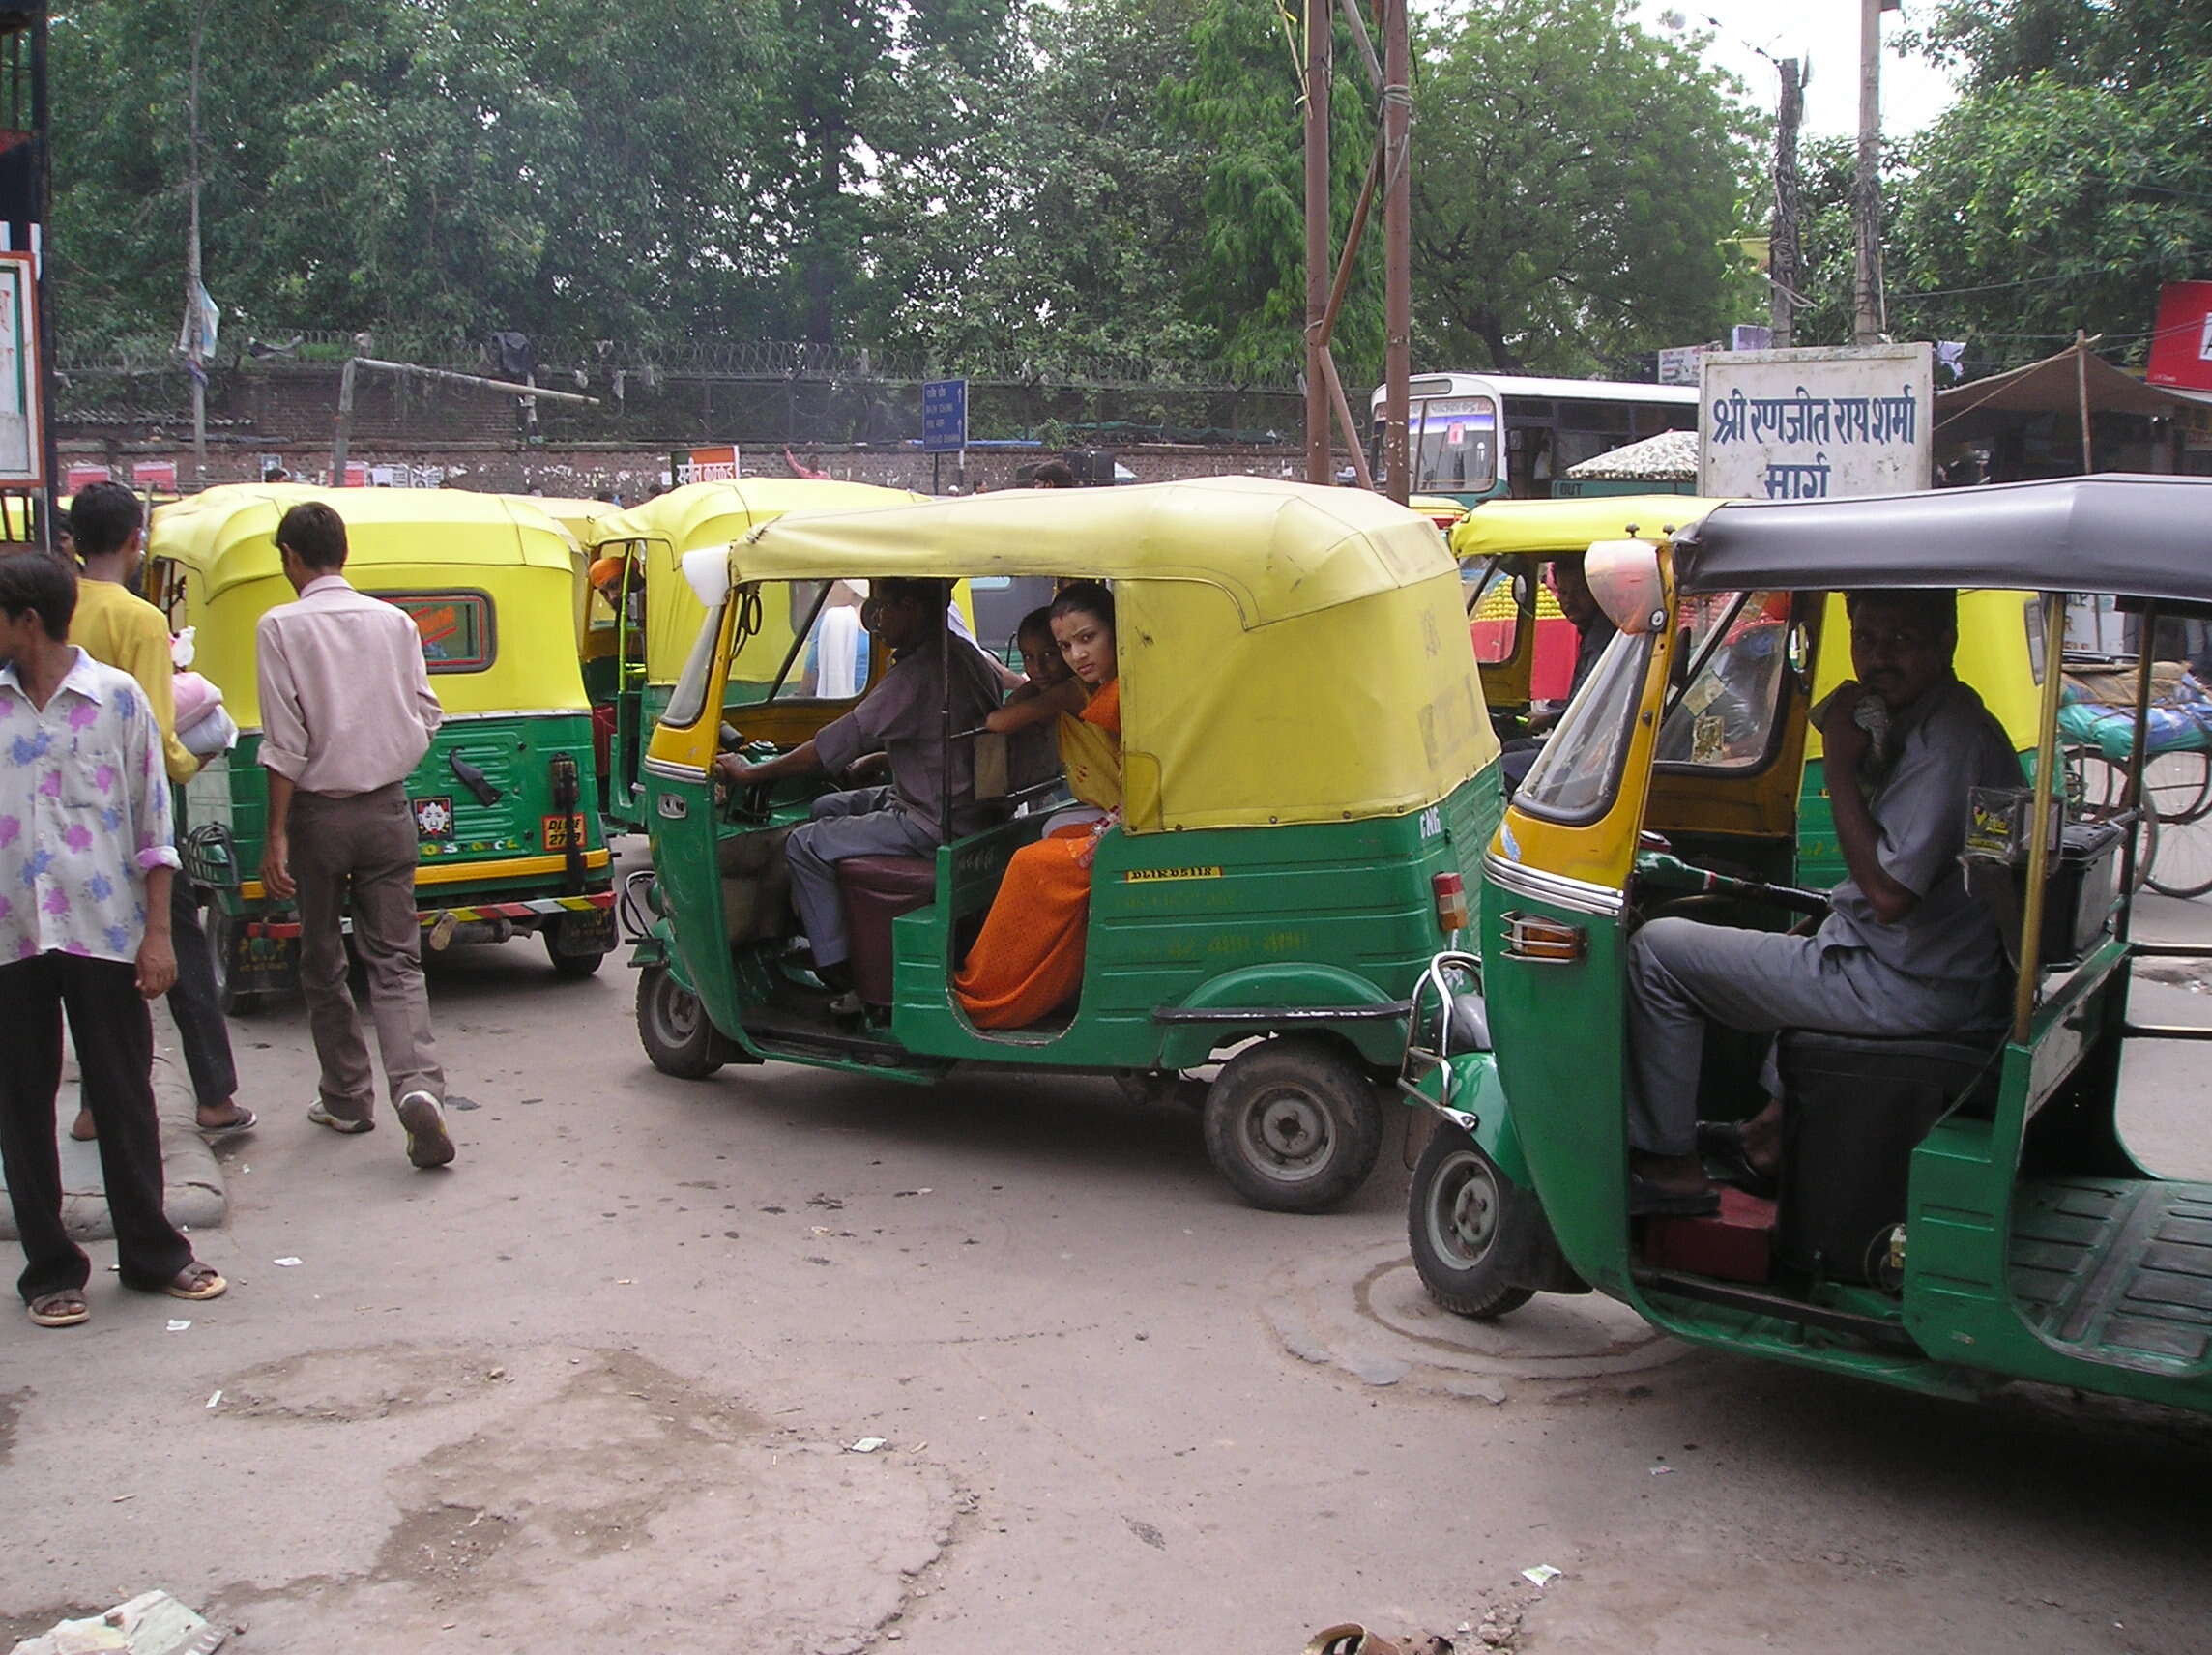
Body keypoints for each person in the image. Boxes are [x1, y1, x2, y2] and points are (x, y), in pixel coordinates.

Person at [1623, 589, 2024, 1216]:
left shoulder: (1947, 743)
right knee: (1791, 944)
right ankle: (1767, 1141)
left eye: (1903, 641)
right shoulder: (1936, 718)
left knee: (1656, 952)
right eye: (1867, 640)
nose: (1879, 659)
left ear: (1946, 642)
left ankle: (1667, 1166)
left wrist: (1838, 762)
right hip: (1931, 967)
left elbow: (1889, 894)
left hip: (1915, 986)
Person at [0, 552, 227, 1326]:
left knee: (125, 1098)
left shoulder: (117, 699)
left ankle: (153, 1254)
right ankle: (50, 1270)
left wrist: (159, 935)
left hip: (105, 932)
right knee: (21, 1105)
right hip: (12, 938)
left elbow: (152, 827)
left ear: (27, 621)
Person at [256, 501, 456, 1169]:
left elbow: (285, 743)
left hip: (317, 815)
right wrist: (391, 755)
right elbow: (429, 712)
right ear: (342, 551)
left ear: (290, 556)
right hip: (387, 809)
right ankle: (418, 1087)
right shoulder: (394, 622)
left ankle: (347, 1096)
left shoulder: (280, 627)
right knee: (397, 961)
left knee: (323, 959)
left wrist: (274, 835)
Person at [63, 482, 255, 1145]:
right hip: (138, 814)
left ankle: (93, 1103)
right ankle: (214, 1097)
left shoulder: (58, 610)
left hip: (72, 813)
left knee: (94, 958)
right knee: (176, 949)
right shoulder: (138, 619)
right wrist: (194, 758)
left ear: (72, 542)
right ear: (133, 542)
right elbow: (153, 732)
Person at [713, 577, 1001, 1000]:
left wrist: (751, 773)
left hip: (932, 822)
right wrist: (882, 760)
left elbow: (831, 746)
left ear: (915, 609)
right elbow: (948, 741)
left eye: (885, 606)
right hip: (964, 805)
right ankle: (832, 920)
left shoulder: (916, 675)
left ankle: (838, 968)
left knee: (803, 845)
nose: (876, 618)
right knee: (827, 806)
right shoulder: (966, 657)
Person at [955, 582, 1120, 1029]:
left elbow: (1000, 719)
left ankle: (988, 991)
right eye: (1065, 647)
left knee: (1030, 864)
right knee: (1048, 830)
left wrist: (1032, 686)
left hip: (1130, 818)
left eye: (1087, 640)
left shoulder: (1080, 691)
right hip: (1114, 809)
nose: (1074, 657)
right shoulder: (1095, 684)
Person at [1500, 559, 1615, 791]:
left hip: (1591, 757)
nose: (1567, 602)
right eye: (1563, 592)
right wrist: (1553, 713)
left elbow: (1592, 707)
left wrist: (1551, 717)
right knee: (1512, 749)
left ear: (1596, 593)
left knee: (1503, 769)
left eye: (1578, 593)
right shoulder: (1593, 631)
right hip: (1583, 746)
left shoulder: (1603, 637)